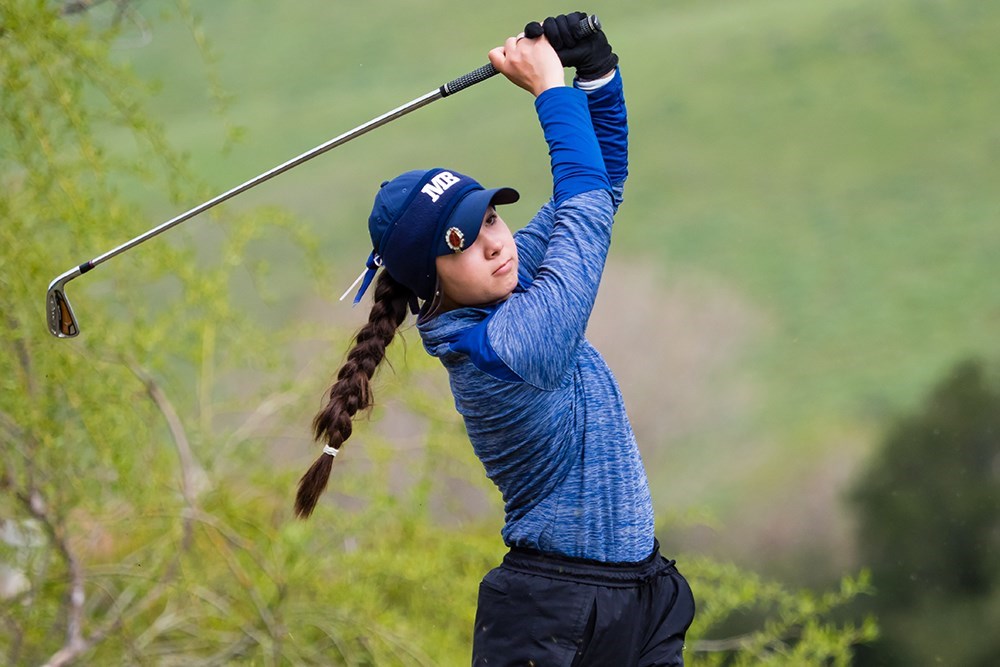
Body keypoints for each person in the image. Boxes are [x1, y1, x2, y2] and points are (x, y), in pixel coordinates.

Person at [294, 13, 695, 666]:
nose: (494, 241)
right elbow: (586, 212)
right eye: (463, 239)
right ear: (432, 278)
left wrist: (596, 73)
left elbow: (603, 183)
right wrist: (549, 94)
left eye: (492, 216)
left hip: (640, 595)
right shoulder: (501, 351)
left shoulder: (506, 278)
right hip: (550, 613)